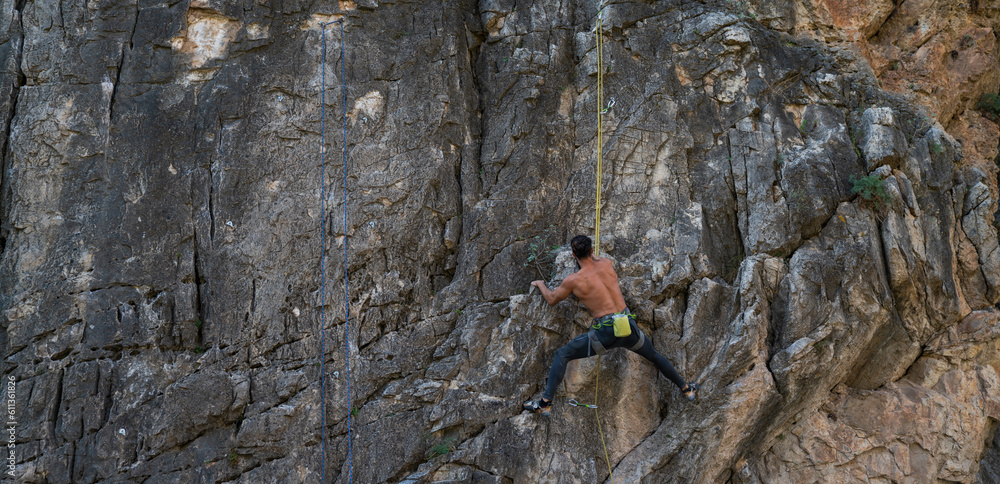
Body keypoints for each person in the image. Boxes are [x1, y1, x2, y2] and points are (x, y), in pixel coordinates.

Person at [522, 235, 698, 414]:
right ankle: (686, 389)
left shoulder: (573, 280)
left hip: (605, 334)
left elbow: (552, 299)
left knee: (562, 354)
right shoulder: (606, 264)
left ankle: (545, 404)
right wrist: (591, 254)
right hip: (627, 326)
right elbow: (596, 259)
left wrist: (541, 284)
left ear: (573, 255)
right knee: (653, 355)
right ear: (591, 251)